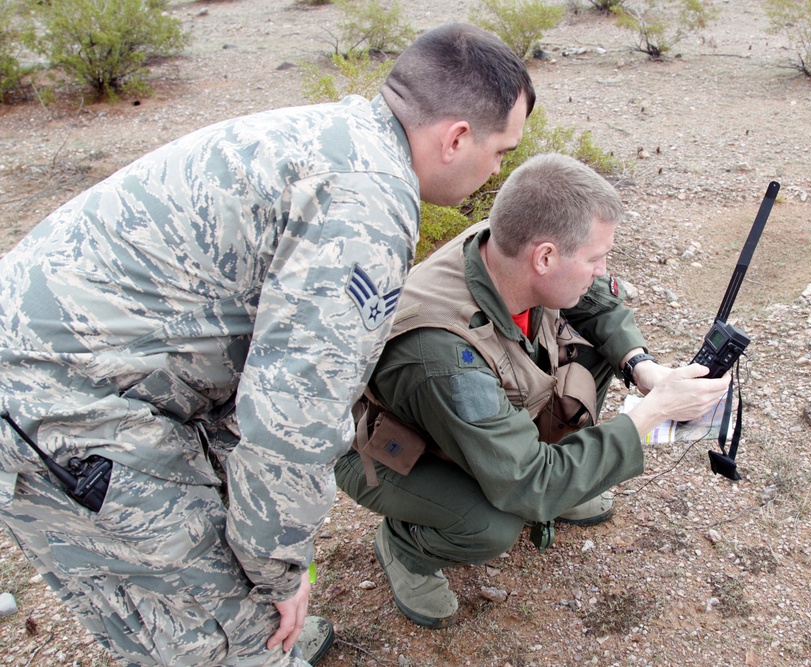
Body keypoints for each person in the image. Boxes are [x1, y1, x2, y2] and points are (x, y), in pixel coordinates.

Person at [0, 23, 533, 667]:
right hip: (72, 409)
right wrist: (279, 575)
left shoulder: (337, 135)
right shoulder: (366, 205)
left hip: (69, 377)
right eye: (500, 151)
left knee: (174, 608)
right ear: (456, 138)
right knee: (231, 640)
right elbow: (295, 416)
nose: (497, 170)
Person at [334, 153, 732, 629]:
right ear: (544, 258)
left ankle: (567, 480)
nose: (602, 269)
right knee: (491, 524)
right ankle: (404, 547)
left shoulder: (507, 248)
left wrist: (642, 368)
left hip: (462, 421)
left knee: (596, 350)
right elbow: (528, 484)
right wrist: (652, 412)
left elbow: (598, 303)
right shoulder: (443, 358)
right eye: (595, 258)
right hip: (388, 450)